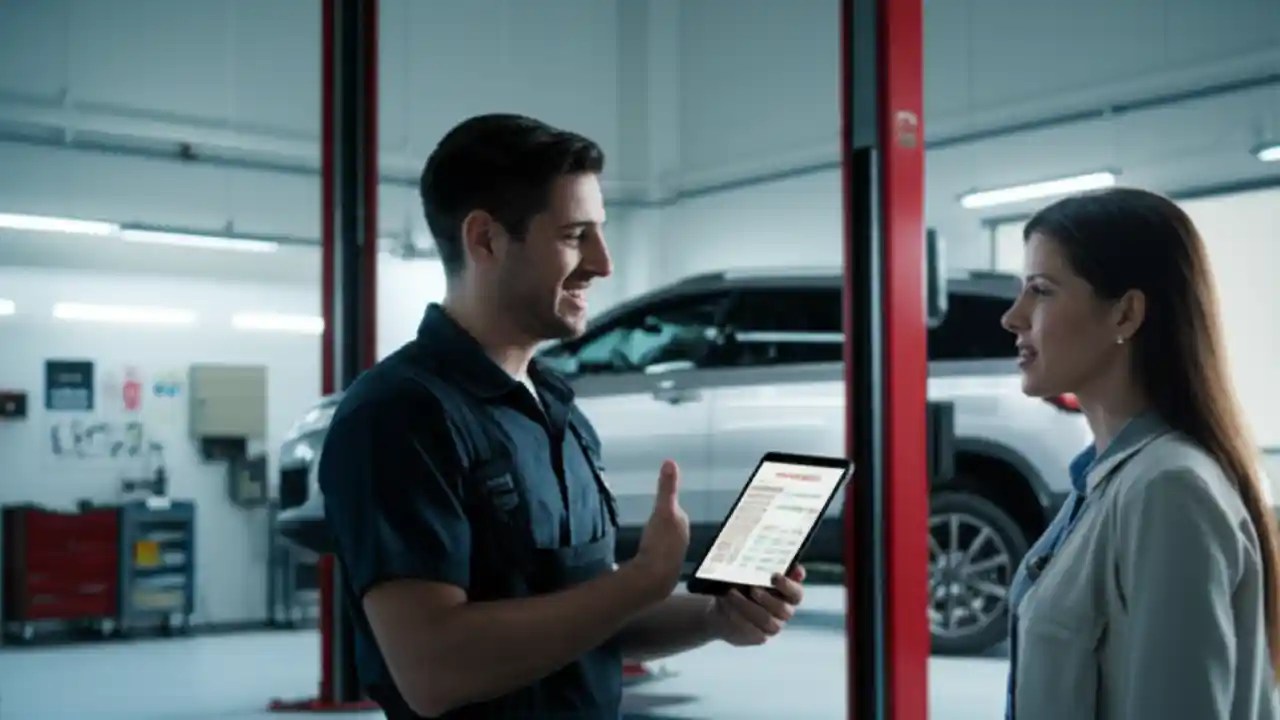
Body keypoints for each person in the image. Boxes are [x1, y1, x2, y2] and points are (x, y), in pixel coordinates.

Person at [317, 113, 807, 719]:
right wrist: (638, 581)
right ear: (486, 240)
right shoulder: (398, 417)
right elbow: (433, 669)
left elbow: (590, 619)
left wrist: (713, 617)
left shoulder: (561, 413)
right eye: (576, 235)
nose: (602, 263)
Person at [999, 187, 1280, 719]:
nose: (1014, 317)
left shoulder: (1170, 490)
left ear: (1125, 314)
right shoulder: (1105, 480)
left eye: (1041, 291)